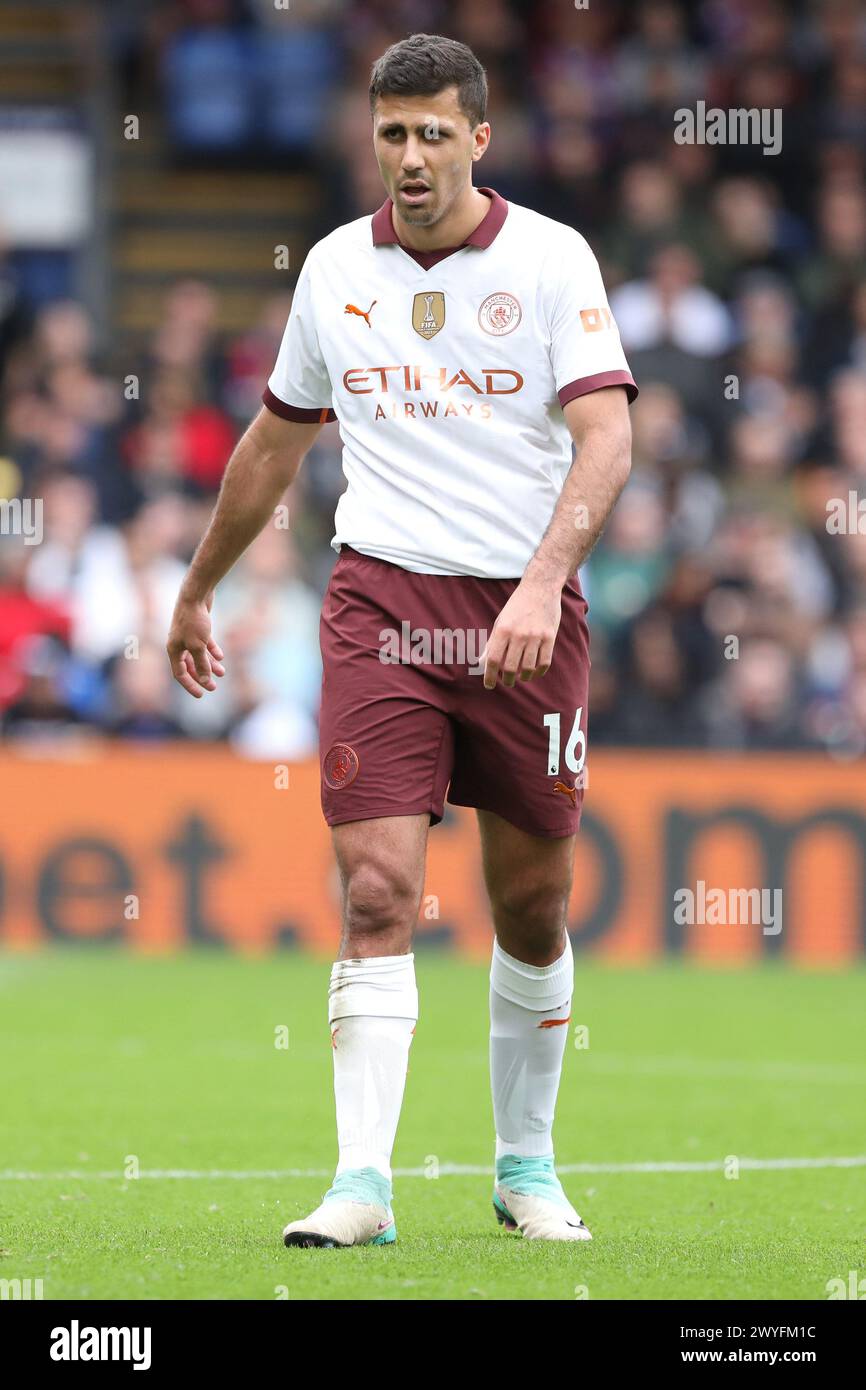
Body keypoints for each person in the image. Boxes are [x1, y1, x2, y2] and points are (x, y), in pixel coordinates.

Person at [167, 32, 637, 1247]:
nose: (412, 156)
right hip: (378, 606)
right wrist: (198, 586)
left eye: (435, 132)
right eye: (392, 133)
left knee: (531, 904)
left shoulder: (549, 260)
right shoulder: (331, 270)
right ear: (367, 137)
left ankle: (524, 1165)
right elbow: (276, 441)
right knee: (376, 890)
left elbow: (606, 439)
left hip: (523, 616)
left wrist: (541, 585)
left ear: (480, 137)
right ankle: (360, 1185)